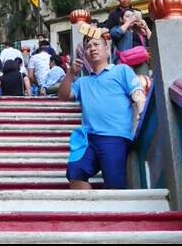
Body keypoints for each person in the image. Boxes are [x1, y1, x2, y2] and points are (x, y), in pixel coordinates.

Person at [59, 29, 145, 190]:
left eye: (96, 44)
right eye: (88, 46)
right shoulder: (82, 82)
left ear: (107, 50)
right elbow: (63, 96)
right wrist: (71, 73)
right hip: (89, 138)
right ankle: (91, 211)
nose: (92, 48)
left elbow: (137, 92)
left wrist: (141, 110)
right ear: (84, 55)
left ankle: (114, 214)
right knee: (75, 172)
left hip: (115, 136)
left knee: (114, 182)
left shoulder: (121, 70)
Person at [104, 0, 151, 67]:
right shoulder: (114, 14)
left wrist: (144, 27)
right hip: (124, 55)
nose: (125, 0)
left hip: (140, 55)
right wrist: (128, 23)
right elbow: (113, 32)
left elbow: (151, 40)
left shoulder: (137, 11)